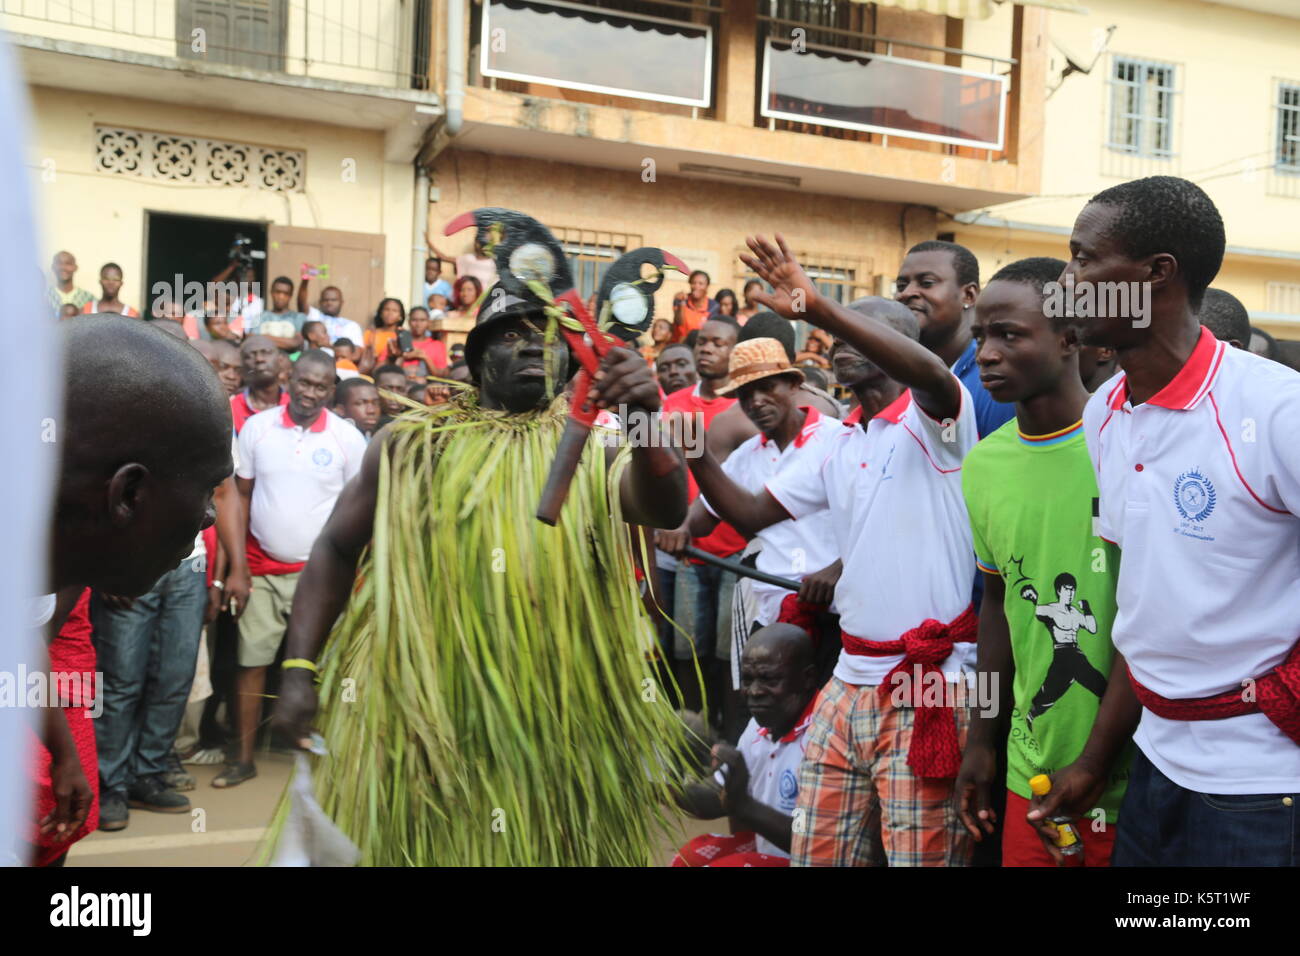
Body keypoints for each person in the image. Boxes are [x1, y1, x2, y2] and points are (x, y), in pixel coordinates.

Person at [266, 271, 692, 866]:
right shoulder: (412, 444)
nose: (531, 347)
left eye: (547, 338)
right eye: (510, 335)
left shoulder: (600, 450)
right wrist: (298, 667)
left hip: (561, 717)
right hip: (422, 711)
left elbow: (667, 507)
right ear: (477, 354)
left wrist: (646, 414)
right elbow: (336, 548)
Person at [691, 236, 979, 867]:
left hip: (926, 684)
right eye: (839, 330)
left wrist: (818, 306)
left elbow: (930, 373)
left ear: (899, 348)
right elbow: (747, 515)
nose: (840, 340)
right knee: (818, 853)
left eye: (862, 331)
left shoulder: (939, 418)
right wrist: (690, 451)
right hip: (849, 678)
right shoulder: (840, 441)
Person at [1067, 175, 1300, 867]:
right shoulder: (1103, 412)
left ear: (1155, 274)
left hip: (1262, 785)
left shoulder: (1276, 410)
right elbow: (1140, 610)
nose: (1066, 280)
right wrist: (1094, 760)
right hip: (1155, 764)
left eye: (1083, 260)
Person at [954, 258, 1131, 868]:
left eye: (1009, 334)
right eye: (980, 336)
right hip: (1033, 775)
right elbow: (998, 604)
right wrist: (983, 739)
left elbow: (1153, 613)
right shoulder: (984, 464)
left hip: (1134, 779)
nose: (987, 354)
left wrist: (1095, 761)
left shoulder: (1126, 445)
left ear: (1070, 339)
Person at [49, 316, 233, 844]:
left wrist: (65, 758)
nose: (208, 519)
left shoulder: (50, 580)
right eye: (204, 490)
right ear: (127, 495)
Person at [215, 350, 364, 788]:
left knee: (322, 665)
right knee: (251, 663)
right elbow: (239, 497)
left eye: (321, 386)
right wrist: (238, 568)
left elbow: (357, 510)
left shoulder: (347, 439)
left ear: (331, 390)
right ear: (289, 379)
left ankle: (316, 752)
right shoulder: (258, 429)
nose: (310, 393)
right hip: (260, 568)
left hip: (321, 578)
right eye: (303, 382)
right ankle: (242, 758)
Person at [672, 337, 839, 681]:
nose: (756, 402)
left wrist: (839, 567)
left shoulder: (836, 440)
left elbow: (754, 514)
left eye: (766, 388)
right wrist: (681, 528)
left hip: (833, 609)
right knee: (766, 707)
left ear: (794, 385)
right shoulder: (747, 455)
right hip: (770, 609)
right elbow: (702, 517)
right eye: (746, 394)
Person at [657, 316, 746, 718]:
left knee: (730, 656)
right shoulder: (672, 406)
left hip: (738, 553)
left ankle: (729, 741)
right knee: (686, 650)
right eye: (703, 343)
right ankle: (694, 732)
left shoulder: (748, 405)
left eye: (719, 343)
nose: (707, 349)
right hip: (686, 551)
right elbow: (653, 468)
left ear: (736, 351)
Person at [673, 624, 820, 866]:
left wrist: (743, 804)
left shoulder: (823, 736)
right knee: (688, 859)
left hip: (810, 860)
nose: (753, 691)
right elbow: (715, 797)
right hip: (767, 852)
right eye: (747, 679)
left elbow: (814, 841)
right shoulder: (757, 727)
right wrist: (661, 788)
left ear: (807, 678)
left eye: (768, 679)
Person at [895, 239, 1015, 439]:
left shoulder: (993, 377)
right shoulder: (896, 374)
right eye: (901, 285)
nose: (906, 293)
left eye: (927, 283)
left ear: (968, 295)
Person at [231, 335, 289, 432]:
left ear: (280, 360)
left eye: (266, 352)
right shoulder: (231, 408)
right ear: (241, 365)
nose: (259, 359)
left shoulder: (295, 403)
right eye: (250, 355)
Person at [297, 277, 363, 346]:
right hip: (314, 356)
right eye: (325, 300)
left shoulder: (352, 326)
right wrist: (305, 281)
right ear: (320, 302)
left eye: (334, 300)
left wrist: (329, 346)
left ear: (342, 302)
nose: (329, 303)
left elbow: (357, 352)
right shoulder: (315, 316)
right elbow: (301, 303)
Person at [249, 276, 306, 352]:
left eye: (286, 293)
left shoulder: (298, 317)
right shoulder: (260, 317)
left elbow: (296, 343)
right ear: (271, 292)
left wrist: (263, 337)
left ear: (290, 296)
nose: (281, 297)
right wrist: (287, 342)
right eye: (277, 292)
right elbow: (251, 340)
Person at [402, 306, 447, 375]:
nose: (418, 324)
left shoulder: (437, 345)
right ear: (409, 322)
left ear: (429, 322)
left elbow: (440, 375)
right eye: (414, 320)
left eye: (422, 320)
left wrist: (424, 357)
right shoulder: (401, 342)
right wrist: (403, 356)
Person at [671, 270, 714, 342]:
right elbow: (678, 322)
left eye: (701, 284)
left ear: (707, 286)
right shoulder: (681, 299)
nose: (696, 286)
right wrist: (682, 303)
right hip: (679, 344)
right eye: (693, 283)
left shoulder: (713, 306)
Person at [47, 251, 92, 315]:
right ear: (53, 267)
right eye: (59, 263)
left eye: (68, 263)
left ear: (75, 267)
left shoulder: (88, 299)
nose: (63, 267)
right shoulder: (45, 297)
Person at [364, 297, 406, 366]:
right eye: (386, 309)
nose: (390, 313)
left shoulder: (402, 335)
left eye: (395, 311)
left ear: (400, 316)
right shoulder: (370, 333)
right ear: (381, 313)